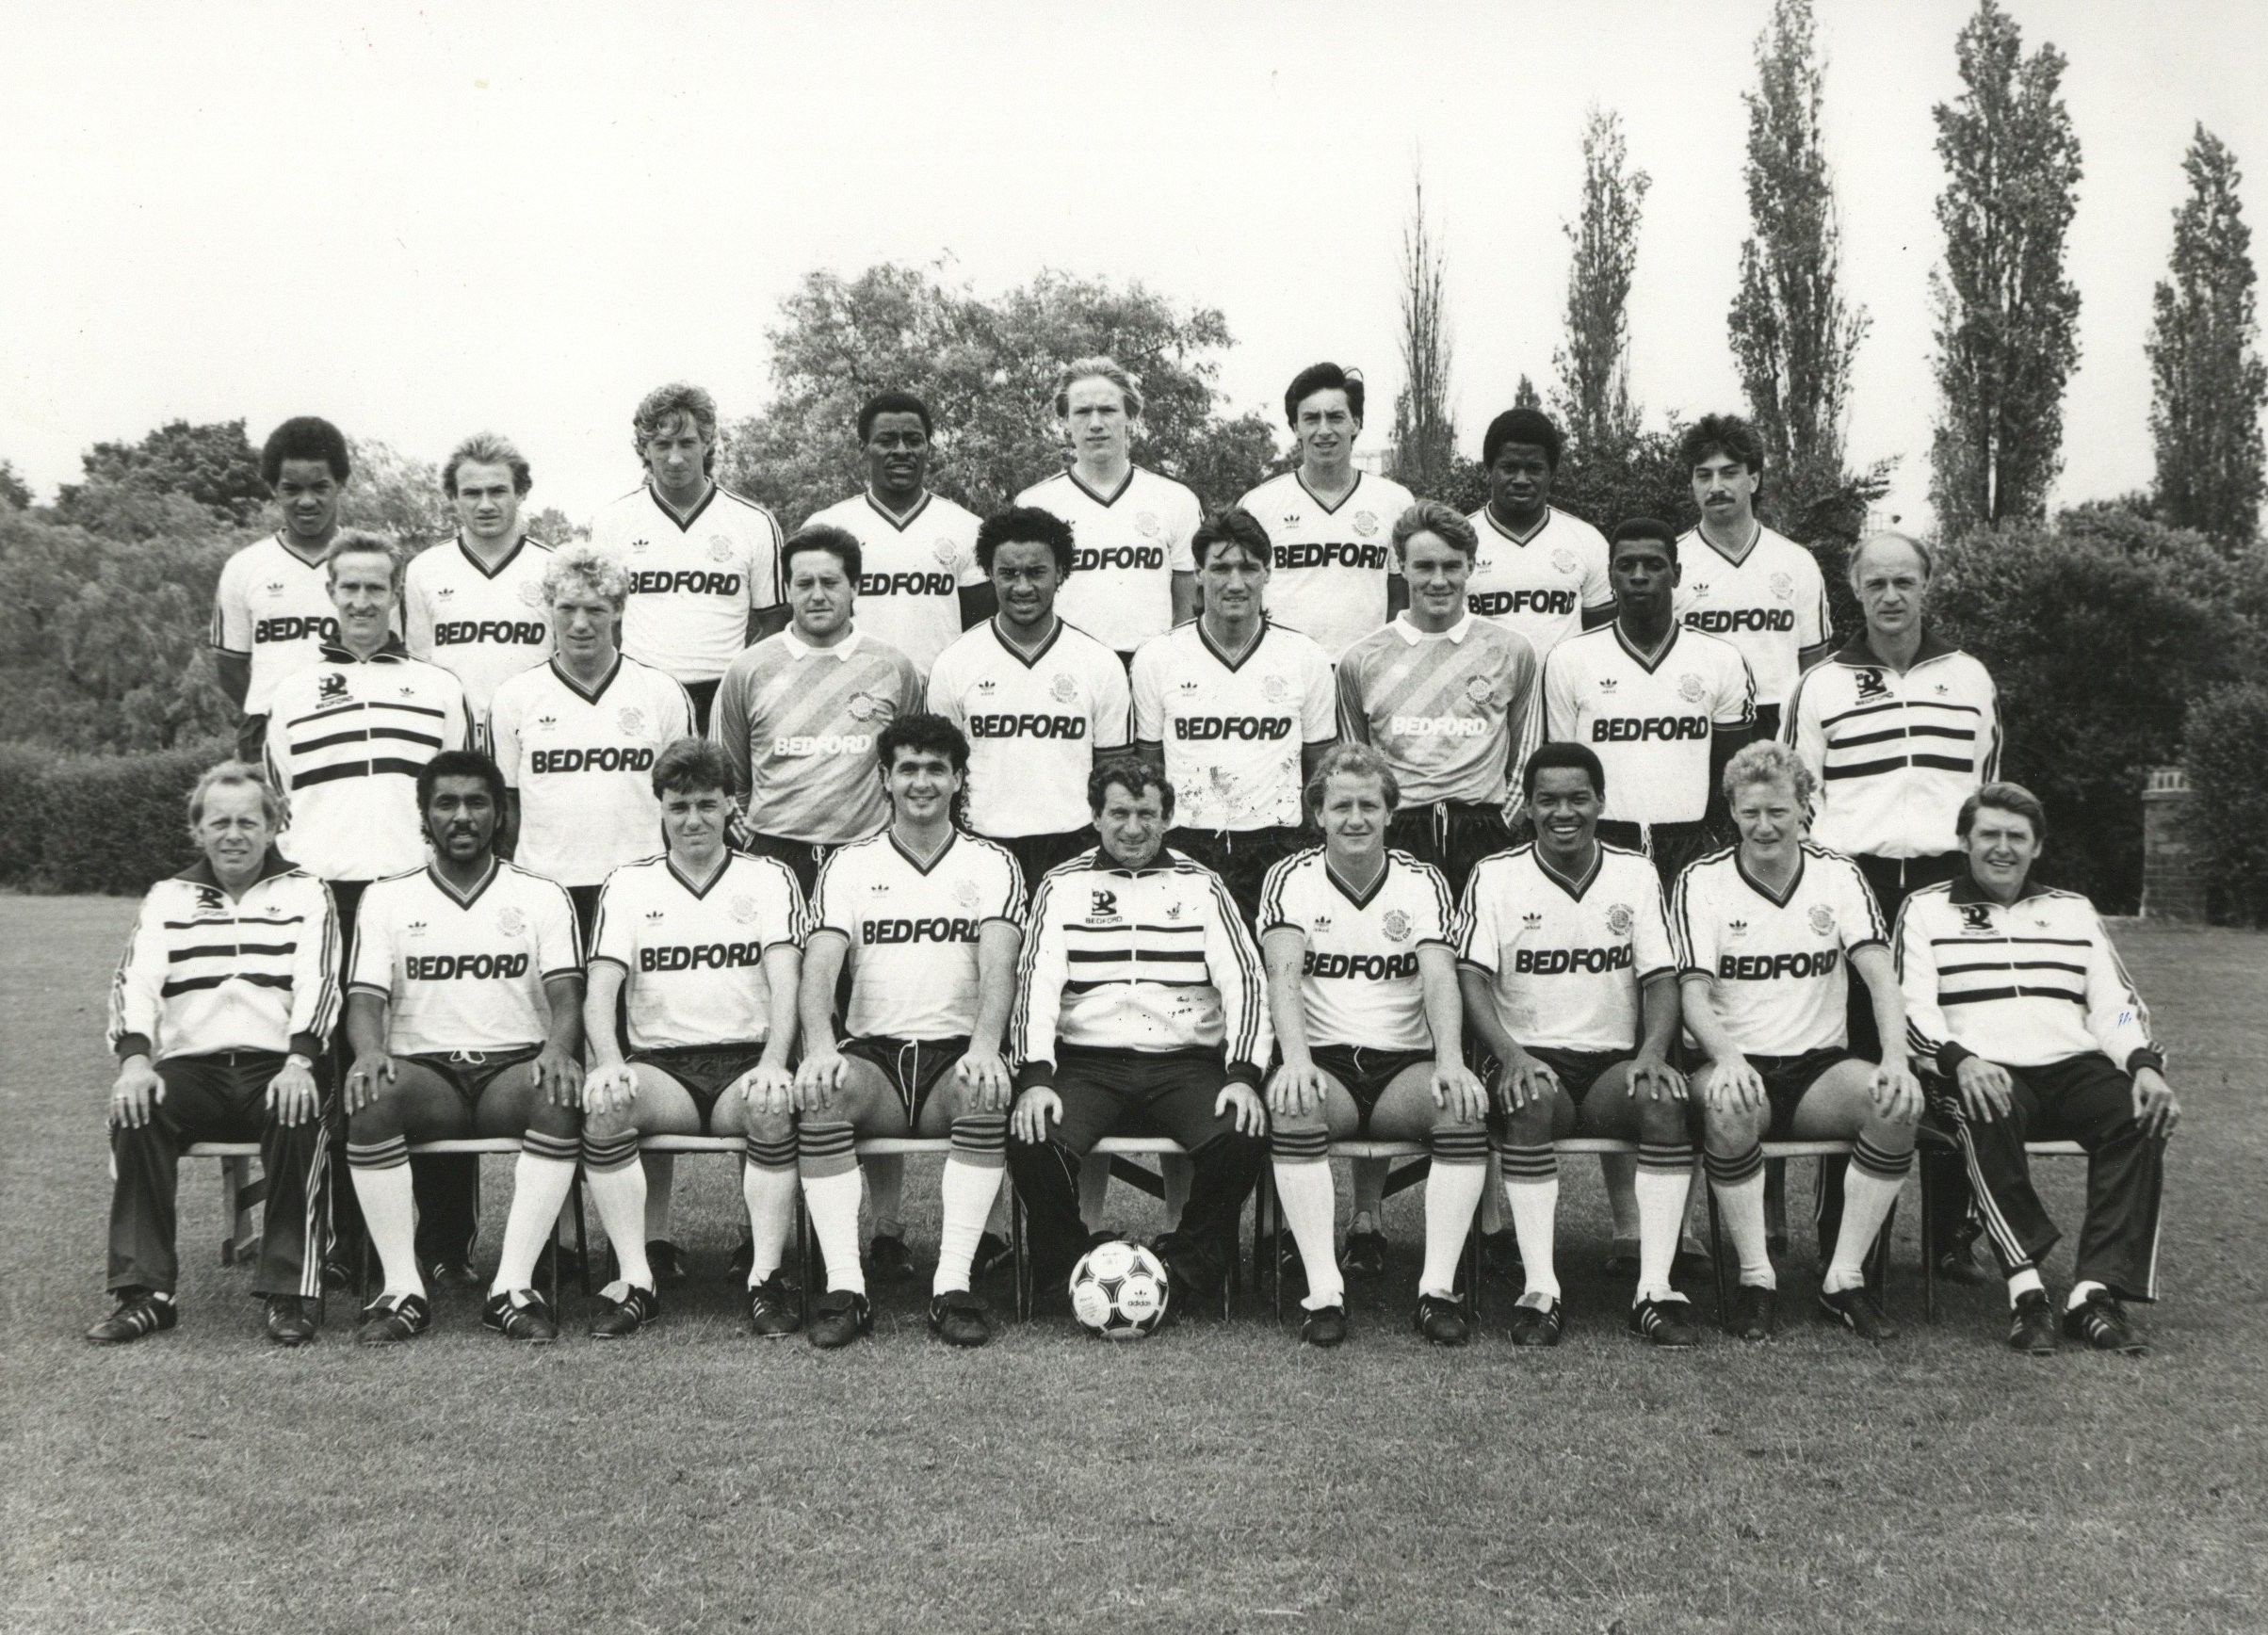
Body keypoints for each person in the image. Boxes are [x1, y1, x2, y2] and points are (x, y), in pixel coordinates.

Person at [262, 529, 480, 1287]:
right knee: (342, 1073)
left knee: (437, 1055)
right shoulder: (290, 693)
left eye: (375, 588)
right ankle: (348, 1245)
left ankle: (448, 1245)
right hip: (324, 904)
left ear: (396, 596)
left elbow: (464, 796)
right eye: (347, 587)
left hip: (418, 895)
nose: (361, 600)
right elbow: (281, 801)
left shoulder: (438, 686)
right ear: (330, 595)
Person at [1785, 529, 2002, 1281]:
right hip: (1858, 884)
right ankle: (1850, 1245)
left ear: (1926, 584)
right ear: (1855, 588)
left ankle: (1952, 1238)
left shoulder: (1969, 676)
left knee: (1949, 1048)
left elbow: (1988, 794)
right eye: (1875, 582)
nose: (1890, 596)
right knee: (1855, 1057)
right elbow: (1796, 795)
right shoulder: (1823, 683)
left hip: (1947, 885)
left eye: (1903, 581)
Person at [1896, 783, 2179, 1356]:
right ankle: (2027, 1295)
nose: (2002, 848)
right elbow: (1910, 1006)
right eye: (1989, 835)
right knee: (1984, 1102)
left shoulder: (2072, 911)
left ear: (2037, 847)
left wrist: (2145, 1067)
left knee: (2139, 1113)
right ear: (1964, 841)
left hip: (2072, 1067)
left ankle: (2094, 1294)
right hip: (1980, 1069)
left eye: (2016, 837)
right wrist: (1960, 1060)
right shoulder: (1926, 908)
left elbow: (2114, 1005)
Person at [794, 715, 1027, 1348]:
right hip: (877, 1054)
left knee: (984, 1090)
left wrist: (986, 1048)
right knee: (820, 1093)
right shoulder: (849, 863)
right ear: (885, 779)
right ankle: (847, 1286)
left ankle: (952, 1286)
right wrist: (818, 1047)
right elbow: (819, 966)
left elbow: (999, 964)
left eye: (935, 769)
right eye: (908, 769)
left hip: (955, 1053)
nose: (921, 782)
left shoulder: (992, 862)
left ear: (957, 779)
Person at [1674, 741, 1919, 1342]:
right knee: (1729, 1108)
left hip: (1817, 1072)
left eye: (1779, 812)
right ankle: (1757, 1278)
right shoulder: (1701, 881)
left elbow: (1879, 975)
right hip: (1736, 1064)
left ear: (1804, 808)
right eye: (1751, 812)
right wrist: (1727, 1056)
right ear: (1731, 810)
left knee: (1894, 1104)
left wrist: (1895, 1059)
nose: (1764, 826)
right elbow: (1691, 993)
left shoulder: (1838, 874)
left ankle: (1844, 1279)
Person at [338, 750, 585, 1345]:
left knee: (557, 1097)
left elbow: (568, 997)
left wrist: (557, 1048)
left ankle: (513, 1288)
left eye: (477, 802)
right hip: (428, 1074)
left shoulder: (541, 894)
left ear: (500, 814)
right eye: (446, 803)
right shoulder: (387, 897)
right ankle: (402, 1288)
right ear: (425, 816)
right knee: (371, 1098)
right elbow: (365, 1000)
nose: (462, 816)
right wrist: (369, 1052)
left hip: (510, 1069)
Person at [1007, 756, 1271, 1309]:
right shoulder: (1062, 884)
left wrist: (1244, 1074)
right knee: (1032, 1137)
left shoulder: (1202, 885)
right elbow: (1036, 981)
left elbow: (1245, 979)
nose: (1133, 827)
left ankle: (1185, 1273)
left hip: (1185, 1064)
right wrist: (1034, 1075)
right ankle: (1071, 1271)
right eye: (1119, 813)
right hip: (1089, 1064)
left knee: (1242, 1133)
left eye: (1147, 814)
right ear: (1095, 817)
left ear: (1168, 817)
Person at [91, 763, 340, 1347]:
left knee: (298, 1109)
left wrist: (300, 1061)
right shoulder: (167, 897)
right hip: (191, 1070)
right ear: (197, 829)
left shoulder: (307, 891)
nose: (234, 834)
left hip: (276, 1066)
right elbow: (136, 982)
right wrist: (133, 1062)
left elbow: (320, 982)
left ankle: (290, 1293)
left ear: (274, 825)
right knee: (139, 1109)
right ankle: (145, 1294)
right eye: (220, 822)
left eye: (249, 821)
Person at [1460, 742, 1699, 1349]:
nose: (1562, 812)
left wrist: (1652, 1053)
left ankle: (1655, 1289)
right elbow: (1471, 978)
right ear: (1529, 808)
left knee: (1665, 1102)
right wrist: (1511, 1055)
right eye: (1547, 800)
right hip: (1532, 1056)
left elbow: (1661, 978)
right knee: (1529, 1101)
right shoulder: (1497, 874)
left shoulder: (1635, 871)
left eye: (1577, 798)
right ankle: (1541, 1290)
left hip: (1612, 1062)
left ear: (1600, 802)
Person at [1257, 745, 1488, 1347]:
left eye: (1368, 805)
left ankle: (1437, 1291)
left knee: (1460, 1108)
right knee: (1294, 1104)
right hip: (1326, 1060)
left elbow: (1440, 976)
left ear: (1391, 813)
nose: (1355, 818)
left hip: (1400, 1067)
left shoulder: (1422, 879)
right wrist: (1297, 1061)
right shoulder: (1291, 878)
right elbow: (1282, 976)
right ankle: (1323, 1292)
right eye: (1341, 807)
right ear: (1318, 816)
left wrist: (1452, 1062)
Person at [577, 739, 805, 1339]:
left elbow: (787, 984)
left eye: (707, 805)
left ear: (732, 806)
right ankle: (636, 1281)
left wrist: (777, 1061)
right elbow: (600, 988)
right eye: (678, 807)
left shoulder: (770, 878)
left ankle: (765, 1278)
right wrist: (605, 1062)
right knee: (605, 1106)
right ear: (660, 809)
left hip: (744, 1062)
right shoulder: (628, 885)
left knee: (773, 1103)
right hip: (662, 1068)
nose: (693, 820)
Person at [1131, 507, 1336, 921]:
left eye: (1249, 567)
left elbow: (1318, 767)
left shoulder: (1305, 656)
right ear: (1199, 575)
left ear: (1267, 574)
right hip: (1188, 841)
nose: (1236, 582)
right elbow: (1148, 764)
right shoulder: (1158, 657)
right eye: (1221, 568)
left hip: (1276, 844)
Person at [1336, 501, 1541, 897]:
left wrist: (1503, 824)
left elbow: (1526, 753)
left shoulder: (1512, 650)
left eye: (1451, 566)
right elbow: (1356, 765)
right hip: (1399, 836)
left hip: (1485, 833)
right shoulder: (1360, 660)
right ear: (1402, 567)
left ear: (1470, 567)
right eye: (1424, 567)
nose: (1439, 580)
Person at [490, 543, 695, 934]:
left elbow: (684, 802)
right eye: (567, 609)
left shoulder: (662, 692)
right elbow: (508, 805)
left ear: (617, 611)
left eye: (595, 610)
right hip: (547, 893)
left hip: (641, 889)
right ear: (550, 607)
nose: (580, 624)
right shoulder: (514, 697)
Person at [927, 507, 1133, 883]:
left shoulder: (1099, 663)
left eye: (1037, 572)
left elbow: (1114, 776)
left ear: (1061, 574)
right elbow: (941, 774)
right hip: (982, 848)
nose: (1022, 587)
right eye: (1008, 573)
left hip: (1076, 848)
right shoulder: (954, 663)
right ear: (990, 574)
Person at [589, 382, 785, 733]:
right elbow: (601, 618)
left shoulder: (754, 521)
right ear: (644, 448)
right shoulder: (612, 522)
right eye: (662, 445)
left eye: (687, 443)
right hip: (642, 693)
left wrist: (737, 682)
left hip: (723, 694)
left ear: (708, 442)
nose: (675, 458)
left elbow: (775, 618)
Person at [1014, 356, 1201, 659]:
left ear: (1130, 415)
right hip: (1065, 667)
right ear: (1065, 421)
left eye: (1108, 410)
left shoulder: (1176, 499)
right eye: (1083, 412)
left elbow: (1187, 609)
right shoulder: (1034, 504)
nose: (1096, 423)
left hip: (1150, 667)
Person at [1234, 362, 1418, 659]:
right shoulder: (1259, 504)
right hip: (1284, 669)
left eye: (1335, 417)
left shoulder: (1394, 501)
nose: (1324, 430)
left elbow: (1401, 593)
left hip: (1363, 669)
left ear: (1355, 423)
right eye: (1310, 419)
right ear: (1296, 427)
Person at [802, 391, 987, 676]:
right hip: (848, 693)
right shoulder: (827, 526)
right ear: (863, 448)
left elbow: (979, 631)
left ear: (928, 447)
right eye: (887, 441)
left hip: (935, 698)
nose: (902, 451)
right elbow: (807, 625)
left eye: (913, 440)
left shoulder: (967, 527)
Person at [1674, 414, 1833, 742]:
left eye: (1729, 473)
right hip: (1696, 720)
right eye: (1704, 476)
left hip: (1778, 720)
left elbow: (1814, 664)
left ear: (1754, 480)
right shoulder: (1671, 562)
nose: (1716, 487)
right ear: (1692, 483)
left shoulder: (1796, 561)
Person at [212, 416, 353, 761]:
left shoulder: (368, 563)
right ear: (274, 488)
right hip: (268, 734)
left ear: (341, 484)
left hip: (351, 728)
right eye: (292, 488)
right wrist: (271, 713)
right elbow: (230, 667)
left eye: (319, 487)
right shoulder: (243, 567)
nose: (306, 501)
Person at [402, 432, 553, 725]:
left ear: (520, 493)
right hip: (454, 736)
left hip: (533, 731)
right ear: (453, 497)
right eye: (472, 493)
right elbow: (419, 665)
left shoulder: (551, 566)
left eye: (497, 491)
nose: (485, 505)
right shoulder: (424, 569)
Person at [1464, 407, 1616, 658]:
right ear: (1489, 469)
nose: (1521, 479)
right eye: (1509, 467)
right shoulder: (1459, 541)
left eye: (1534, 468)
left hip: (1561, 696)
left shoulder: (1587, 540)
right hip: (1483, 693)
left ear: (1552, 473)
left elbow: (1601, 639)